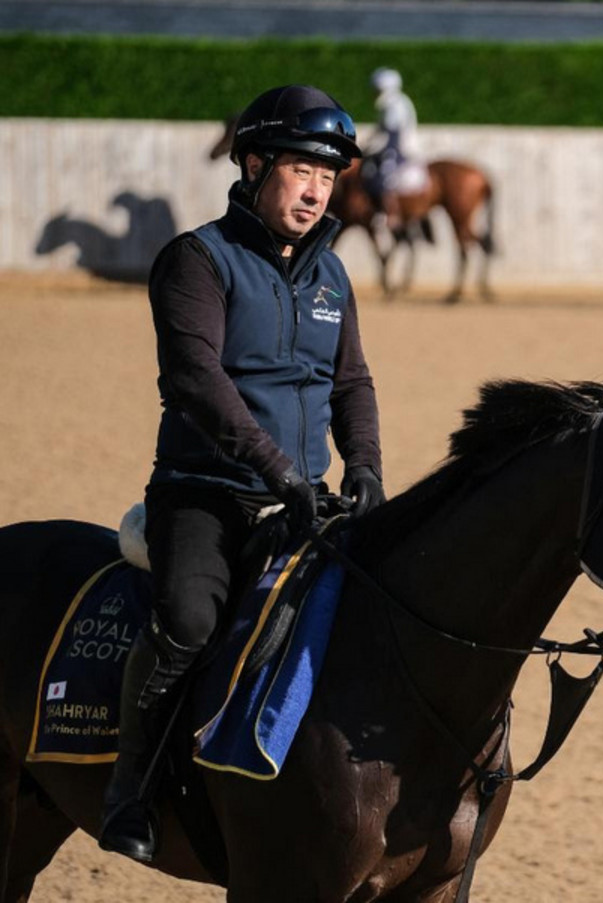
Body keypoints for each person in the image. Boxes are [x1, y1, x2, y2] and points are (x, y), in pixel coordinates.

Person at [98, 84, 386, 863]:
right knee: (191, 620)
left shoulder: (333, 277)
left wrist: (365, 467)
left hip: (307, 500)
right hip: (207, 493)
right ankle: (130, 790)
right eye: (302, 170)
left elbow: (351, 383)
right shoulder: (196, 259)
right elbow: (197, 382)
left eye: (328, 176)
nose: (317, 189)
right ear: (255, 164)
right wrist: (278, 470)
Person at [365, 67, 427, 209]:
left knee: (382, 175)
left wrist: (375, 150)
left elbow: (392, 136)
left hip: (401, 149)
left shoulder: (394, 105)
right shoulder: (392, 103)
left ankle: (389, 213)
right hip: (396, 147)